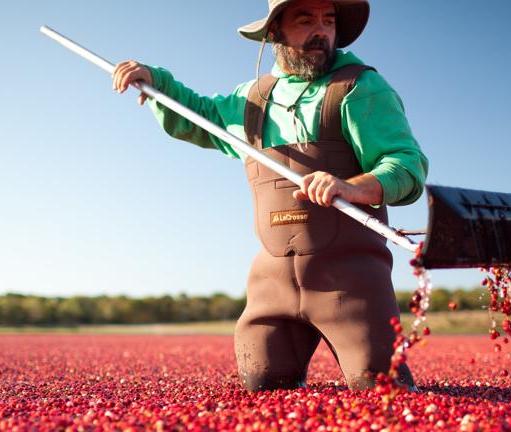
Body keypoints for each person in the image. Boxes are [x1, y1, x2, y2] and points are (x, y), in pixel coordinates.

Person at [112, 0, 429, 391]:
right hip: (272, 283)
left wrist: (351, 187)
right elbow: (197, 116)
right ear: (275, 30)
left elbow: (404, 165)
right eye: (306, 20)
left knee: (381, 390)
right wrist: (155, 82)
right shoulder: (253, 100)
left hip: (350, 282)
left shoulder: (360, 88)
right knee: (262, 382)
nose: (321, 31)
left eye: (328, 21)